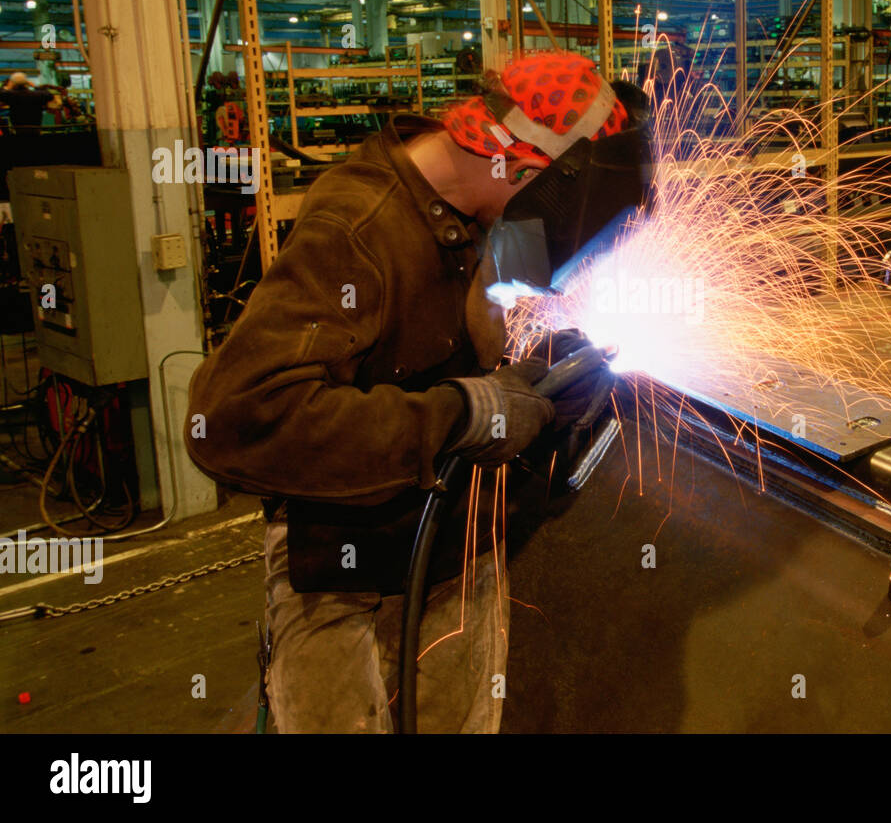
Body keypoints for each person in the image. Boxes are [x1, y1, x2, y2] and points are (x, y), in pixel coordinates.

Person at [185, 51, 651, 732]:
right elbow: (234, 417)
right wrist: (458, 415)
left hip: (455, 556)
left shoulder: (470, 213)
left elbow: (454, 350)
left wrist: (537, 381)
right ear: (522, 172)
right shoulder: (358, 229)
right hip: (347, 582)